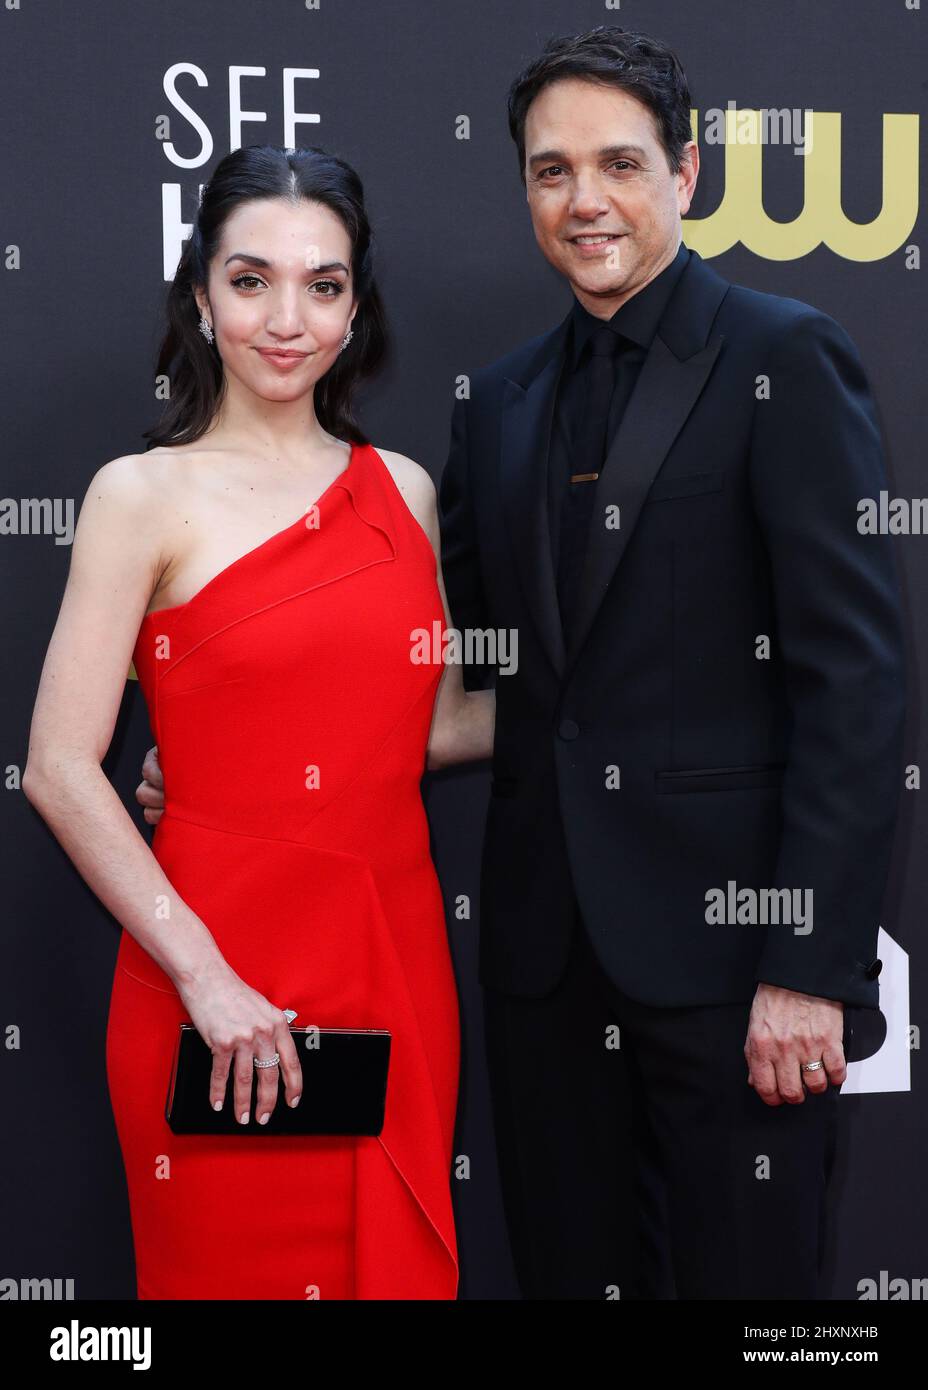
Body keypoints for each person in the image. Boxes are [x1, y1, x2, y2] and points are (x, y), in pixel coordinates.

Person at [436, 27, 905, 1298]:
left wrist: (808, 966)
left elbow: (854, 685)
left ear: (685, 173)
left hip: (739, 968)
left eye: (618, 164)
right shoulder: (497, 401)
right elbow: (478, 669)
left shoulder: (782, 356)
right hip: (545, 963)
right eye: (549, 171)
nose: (584, 200)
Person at [23, 144, 493, 1300]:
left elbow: (432, 731)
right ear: (200, 293)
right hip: (208, 974)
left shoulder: (405, 489)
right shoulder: (141, 495)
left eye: (322, 285)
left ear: (354, 304)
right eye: (251, 280)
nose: (288, 319)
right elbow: (57, 766)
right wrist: (207, 978)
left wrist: (625, 704)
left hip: (391, 968)